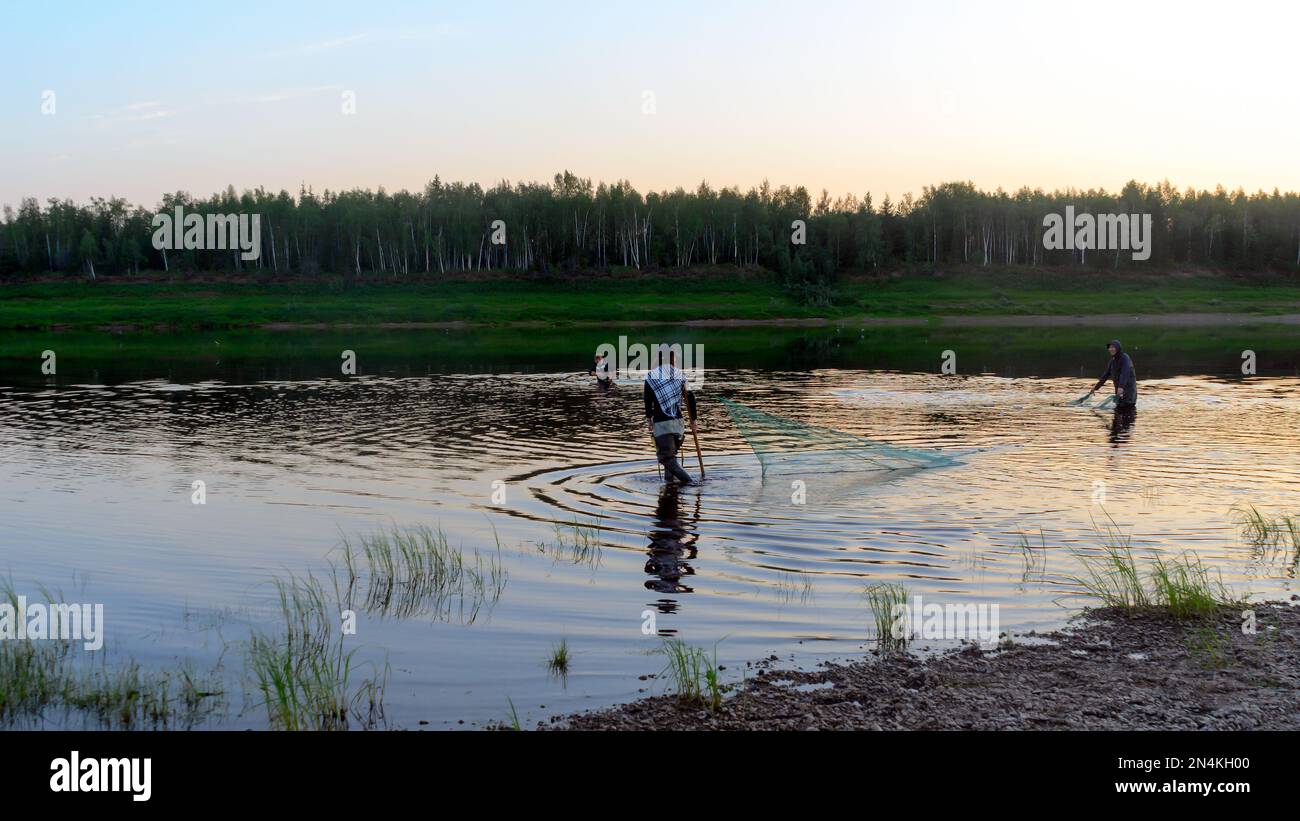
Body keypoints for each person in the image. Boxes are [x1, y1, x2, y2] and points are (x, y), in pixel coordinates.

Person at [644, 347, 698, 484]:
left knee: (666, 458)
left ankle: (690, 482)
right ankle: (670, 484)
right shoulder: (680, 375)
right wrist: (693, 421)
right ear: (673, 358)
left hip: (662, 424)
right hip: (678, 424)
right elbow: (690, 398)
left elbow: (647, 401)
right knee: (671, 457)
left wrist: (649, 420)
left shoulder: (651, 377)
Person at [1090, 339, 1137, 409]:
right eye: (1110, 347)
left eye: (1113, 347)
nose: (1111, 349)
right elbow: (1105, 376)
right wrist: (1096, 387)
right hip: (1119, 391)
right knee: (1118, 410)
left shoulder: (1125, 358)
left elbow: (1125, 372)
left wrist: (1121, 387)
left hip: (1128, 391)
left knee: (1126, 409)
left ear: (1118, 348)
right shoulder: (1112, 361)